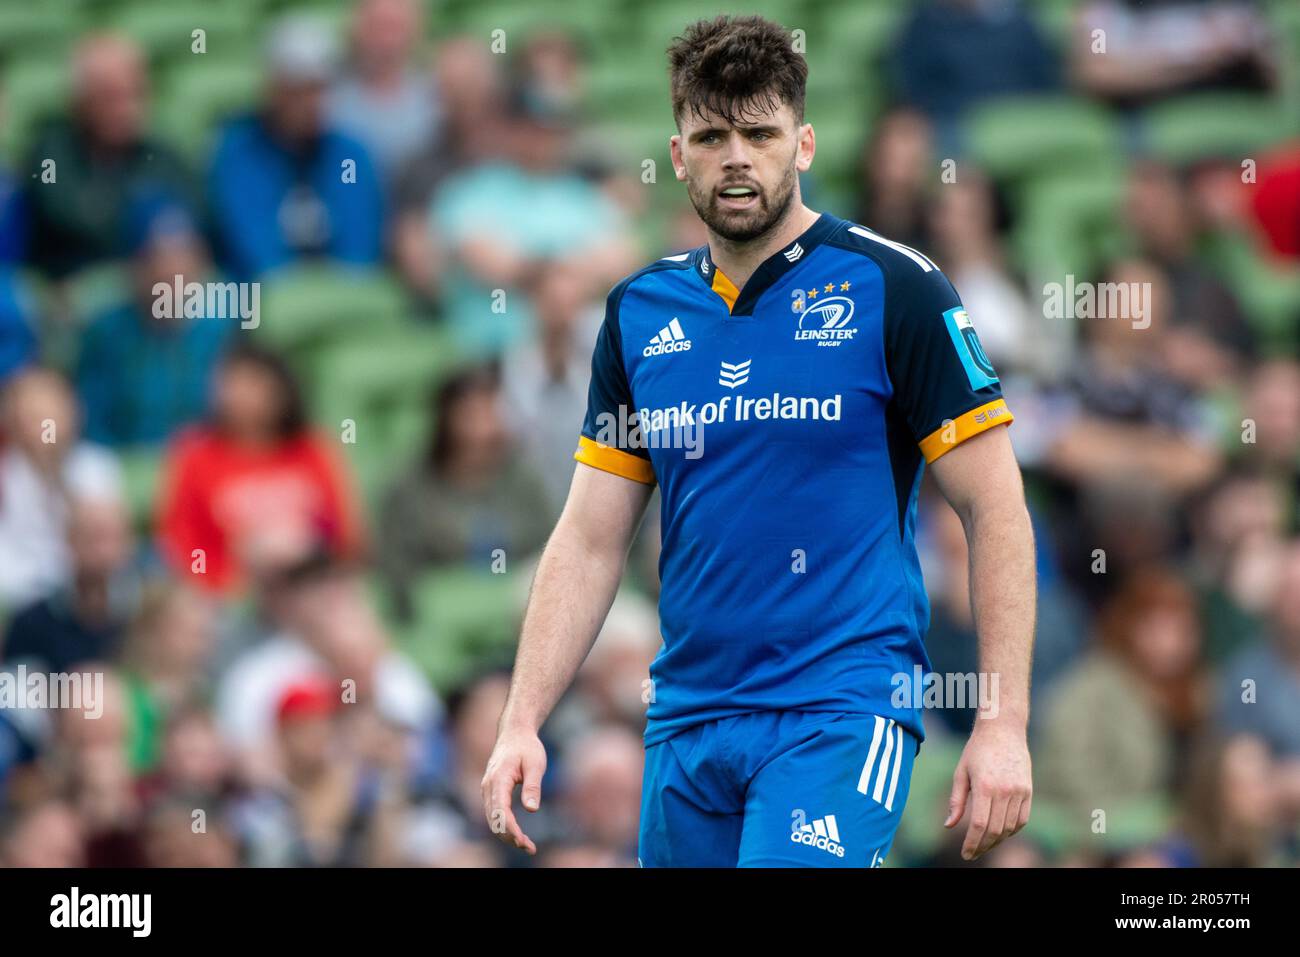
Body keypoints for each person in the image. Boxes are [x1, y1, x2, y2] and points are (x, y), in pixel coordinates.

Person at [481, 16, 1036, 868]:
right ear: (677, 155)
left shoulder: (897, 287)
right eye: (711, 135)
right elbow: (591, 536)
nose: (735, 156)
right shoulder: (637, 315)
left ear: (803, 144)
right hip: (688, 719)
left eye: (759, 133)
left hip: (842, 707)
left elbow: (994, 506)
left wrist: (1002, 721)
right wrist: (521, 717)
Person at [156, 344, 366, 595]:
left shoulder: (313, 450)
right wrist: (227, 583)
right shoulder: (195, 456)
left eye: (249, 383)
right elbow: (183, 546)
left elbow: (345, 536)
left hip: (313, 588)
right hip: (231, 601)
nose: (233, 394)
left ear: (279, 391)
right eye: (227, 383)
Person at [207, 14, 384, 281]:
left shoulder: (349, 156)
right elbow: (253, 251)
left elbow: (359, 246)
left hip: (343, 301)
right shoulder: (239, 154)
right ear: (275, 90)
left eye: (322, 89)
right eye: (303, 90)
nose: (315, 103)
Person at [21, 35, 194, 278]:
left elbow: (188, 218)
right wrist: (142, 224)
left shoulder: (162, 154)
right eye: (110, 96)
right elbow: (67, 218)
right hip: (72, 287)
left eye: (135, 94)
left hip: (149, 291)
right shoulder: (51, 152)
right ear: (80, 101)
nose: (125, 109)